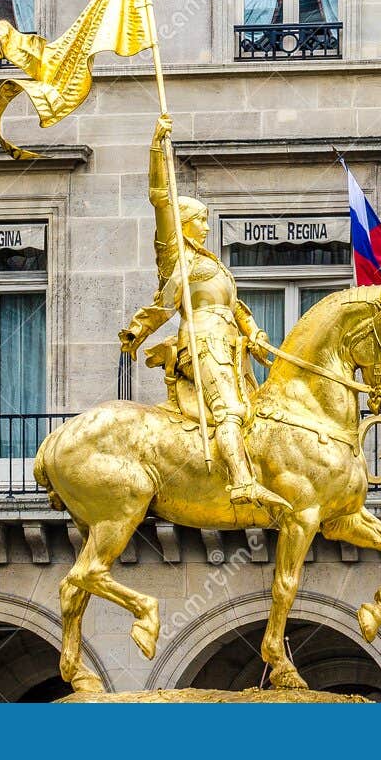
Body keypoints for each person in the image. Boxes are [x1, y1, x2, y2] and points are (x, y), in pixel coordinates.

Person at [120, 113, 292, 517]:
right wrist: (157, 147)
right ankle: (241, 482)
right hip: (201, 346)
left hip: (231, 349)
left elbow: (236, 307)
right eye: (200, 221)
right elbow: (160, 197)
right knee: (229, 411)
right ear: (183, 225)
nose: (206, 229)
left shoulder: (212, 265)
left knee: (255, 414)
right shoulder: (173, 254)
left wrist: (256, 332)